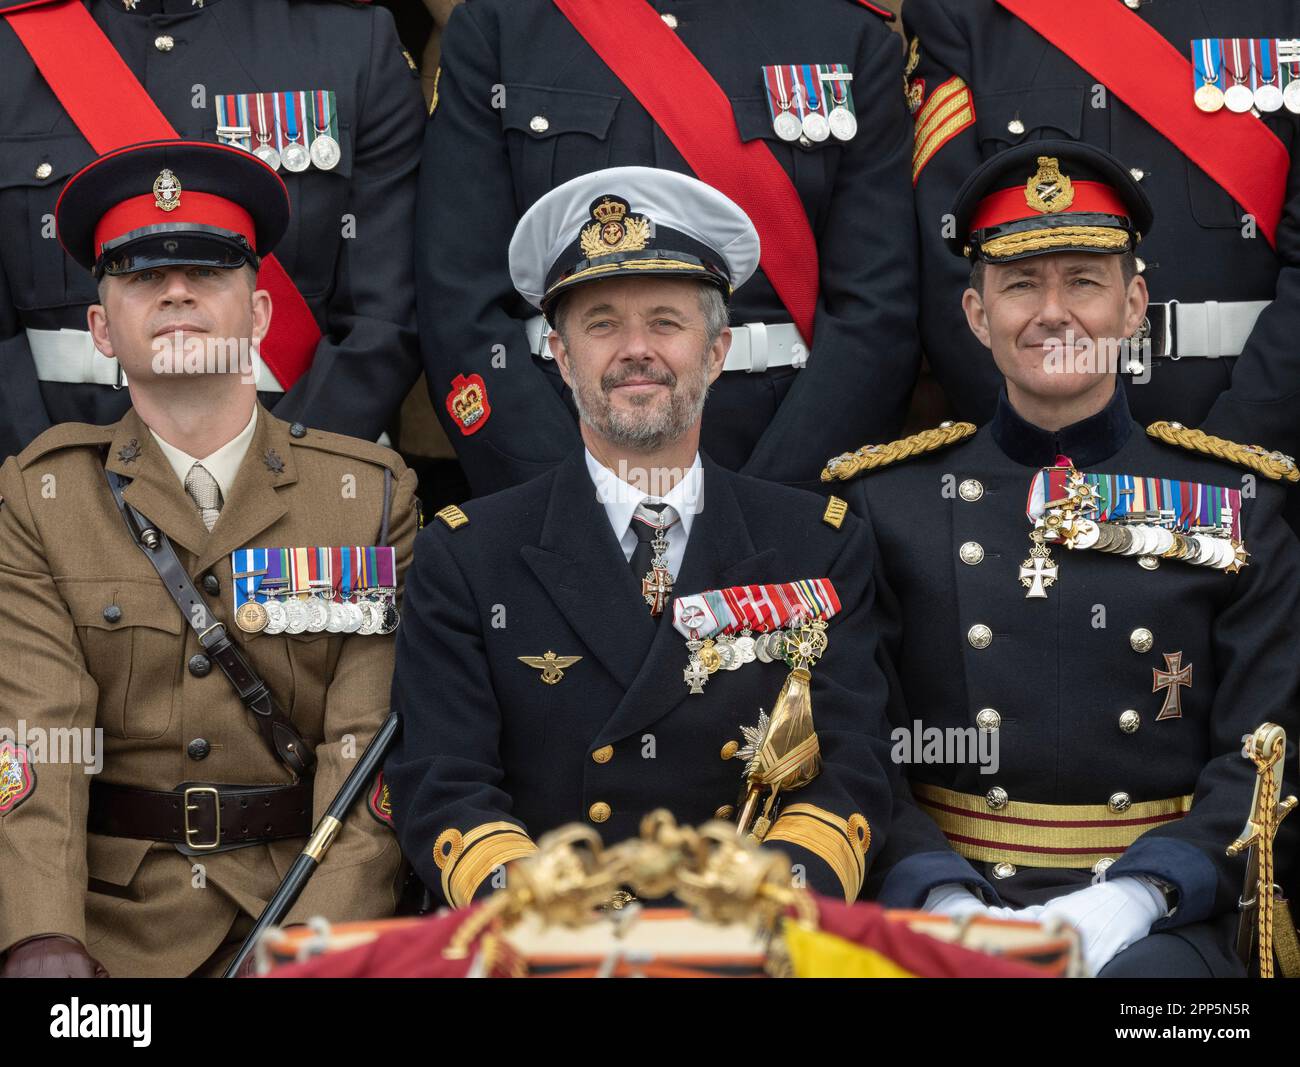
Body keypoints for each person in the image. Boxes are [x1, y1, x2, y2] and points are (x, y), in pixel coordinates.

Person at [827, 142, 1300, 976]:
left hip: (1167, 914)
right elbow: (863, 749)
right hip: (950, 893)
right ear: (977, 315)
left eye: (1084, 280)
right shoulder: (887, 505)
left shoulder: (1237, 505)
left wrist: (1134, 895)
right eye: (1020, 284)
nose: (1054, 313)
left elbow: (1267, 751)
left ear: (1133, 303)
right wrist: (944, 897)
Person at [386, 166, 897, 909]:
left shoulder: (820, 543)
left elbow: (852, 768)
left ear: (716, 353)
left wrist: (752, 908)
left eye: (665, 321)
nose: (636, 349)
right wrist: (560, 918)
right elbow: (446, 779)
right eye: (601, 325)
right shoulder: (468, 555)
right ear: (561, 359)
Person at [0, 141, 419, 978]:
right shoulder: (41, 499)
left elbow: (366, 752)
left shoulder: (369, 496)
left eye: (208, 271)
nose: (177, 291)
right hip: (111, 925)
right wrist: (41, 933)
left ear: (259, 316)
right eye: (142, 276)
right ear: (101, 328)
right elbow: (36, 737)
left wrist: (315, 944)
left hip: (304, 905)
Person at [417, 0, 919, 496]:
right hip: (559, 431)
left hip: (783, 443)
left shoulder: (843, 33)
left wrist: (782, 502)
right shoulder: (503, 27)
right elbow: (460, 305)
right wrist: (561, 497)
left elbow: (876, 312)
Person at [0, 0, 426, 461]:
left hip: (305, 475)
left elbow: (384, 321)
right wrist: (51, 491)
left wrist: (280, 478)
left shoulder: (350, 41)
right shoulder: (12, 46)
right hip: (48, 482)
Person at [903, 0, 1300, 470]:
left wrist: (1239, 443)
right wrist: (1040, 442)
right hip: (1040, 449)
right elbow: (953, 265)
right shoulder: (964, 14)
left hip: (1258, 426)